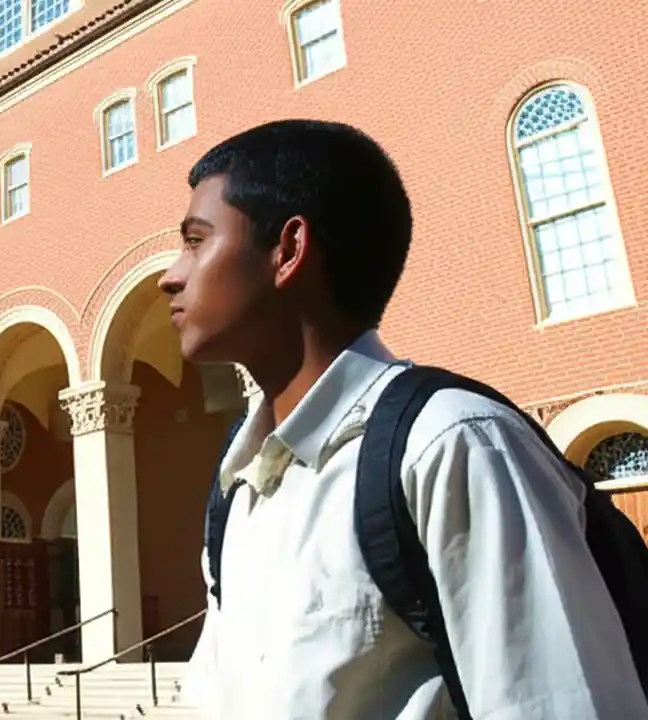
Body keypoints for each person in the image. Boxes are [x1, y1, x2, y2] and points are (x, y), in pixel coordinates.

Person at [158, 119, 648, 719]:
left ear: (287, 250)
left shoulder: (451, 446)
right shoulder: (237, 491)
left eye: (196, 240)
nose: (170, 276)